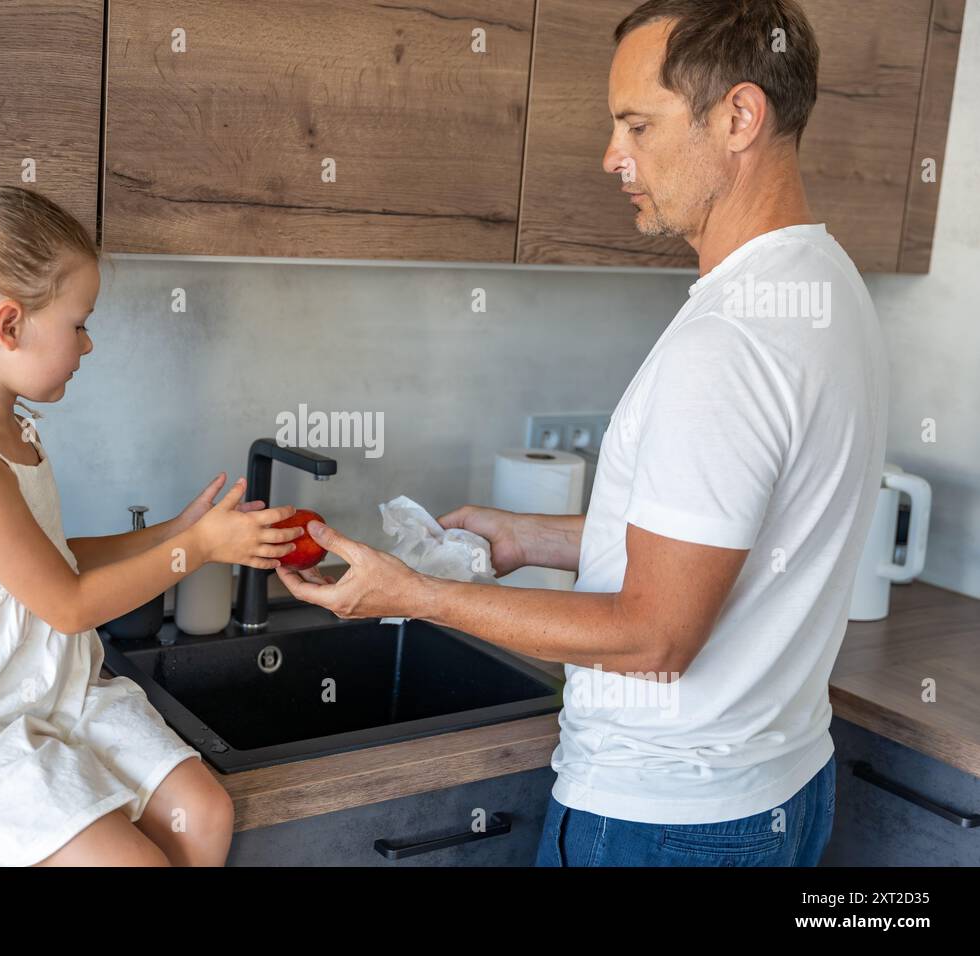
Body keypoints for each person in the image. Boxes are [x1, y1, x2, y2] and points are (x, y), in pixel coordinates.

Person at [278, 0, 887, 866]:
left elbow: (655, 637)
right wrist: (531, 536)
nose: (614, 156)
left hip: (664, 820)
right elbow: (731, 540)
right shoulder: (824, 288)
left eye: (638, 124)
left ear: (740, 117)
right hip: (779, 786)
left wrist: (420, 596)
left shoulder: (730, 344)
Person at [0, 185, 305, 866]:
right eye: (79, 323)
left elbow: (49, 559)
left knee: (206, 812)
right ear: (10, 325)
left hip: (51, 699)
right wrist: (198, 548)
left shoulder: (14, 432)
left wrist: (171, 532)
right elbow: (67, 606)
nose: (89, 343)